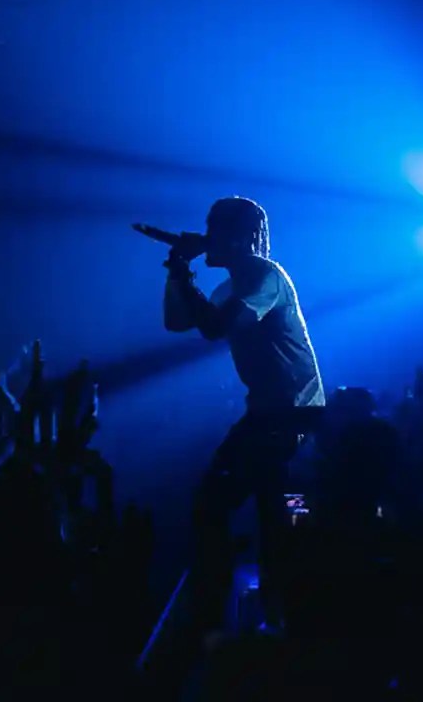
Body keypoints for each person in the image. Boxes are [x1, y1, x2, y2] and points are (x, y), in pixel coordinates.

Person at [160, 196, 325, 638]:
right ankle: (260, 617)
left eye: (214, 227)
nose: (206, 234)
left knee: (249, 511)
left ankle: (244, 620)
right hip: (271, 414)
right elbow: (176, 321)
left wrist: (184, 271)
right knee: (253, 512)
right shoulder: (231, 287)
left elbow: (216, 326)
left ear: (240, 236)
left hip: (293, 416)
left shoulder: (264, 276)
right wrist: (178, 269)